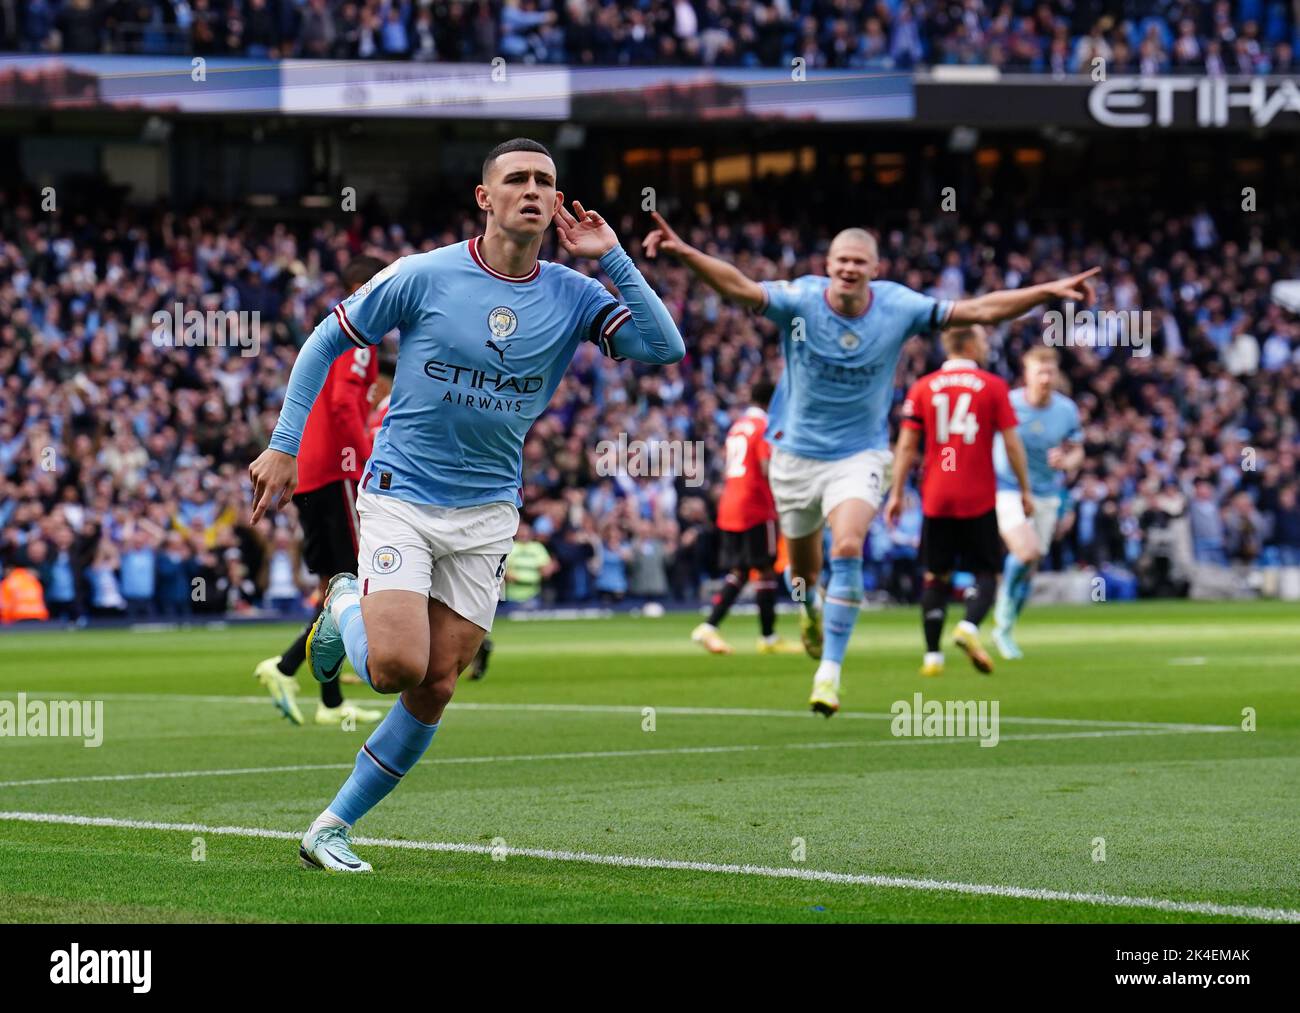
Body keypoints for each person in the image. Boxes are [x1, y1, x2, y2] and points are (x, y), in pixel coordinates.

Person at [248, 138, 684, 872]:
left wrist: (612, 255)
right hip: (403, 495)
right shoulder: (423, 275)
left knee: (439, 682)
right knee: (392, 667)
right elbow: (325, 340)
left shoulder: (573, 293)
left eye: (546, 180)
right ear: (485, 197)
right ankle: (343, 603)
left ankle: (330, 826)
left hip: (487, 513)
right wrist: (284, 444)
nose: (534, 190)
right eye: (517, 178)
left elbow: (663, 347)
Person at [645, 212, 1096, 715]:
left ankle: (829, 675)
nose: (850, 269)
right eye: (842, 261)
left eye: (860, 262)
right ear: (828, 264)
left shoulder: (899, 307)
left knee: (851, 544)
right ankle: (810, 608)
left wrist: (1046, 292)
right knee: (803, 571)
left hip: (858, 454)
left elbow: (982, 310)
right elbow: (740, 288)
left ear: (875, 268)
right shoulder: (801, 300)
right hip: (795, 454)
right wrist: (684, 252)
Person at [252, 255, 388, 727]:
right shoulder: (361, 333)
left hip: (311, 471)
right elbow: (345, 406)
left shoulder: (329, 329)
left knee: (335, 585)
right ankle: (285, 666)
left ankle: (328, 702)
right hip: (339, 470)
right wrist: (370, 459)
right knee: (353, 581)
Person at [884, 326, 1032, 677]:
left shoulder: (922, 387)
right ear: (968, 344)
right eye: (981, 340)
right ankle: (968, 627)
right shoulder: (993, 386)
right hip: (976, 493)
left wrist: (895, 492)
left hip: (937, 493)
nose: (985, 345)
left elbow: (906, 446)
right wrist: (1025, 487)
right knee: (986, 572)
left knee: (936, 575)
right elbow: (1012, 444)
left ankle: (932, 657)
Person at [690, 380, 800, 655]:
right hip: (756, 506)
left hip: (731, 503)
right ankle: (768, 637)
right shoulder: (764, 427)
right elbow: (765, 466)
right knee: (763, 570)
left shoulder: (737, 426)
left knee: (739, 570)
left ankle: (710, 626)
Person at [990, 346, 1083, 660]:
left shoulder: (1066, 410)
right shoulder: (1009, 403)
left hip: (1046, 493)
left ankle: (1008, 626)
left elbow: (1077, 451)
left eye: (1050, 372)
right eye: (1039, 371)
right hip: (1008, 488)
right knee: (1026, 550)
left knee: (1031, 565)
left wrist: (1067, 461)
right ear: (1026, 374)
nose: (1045, 378)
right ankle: (1001, 618)